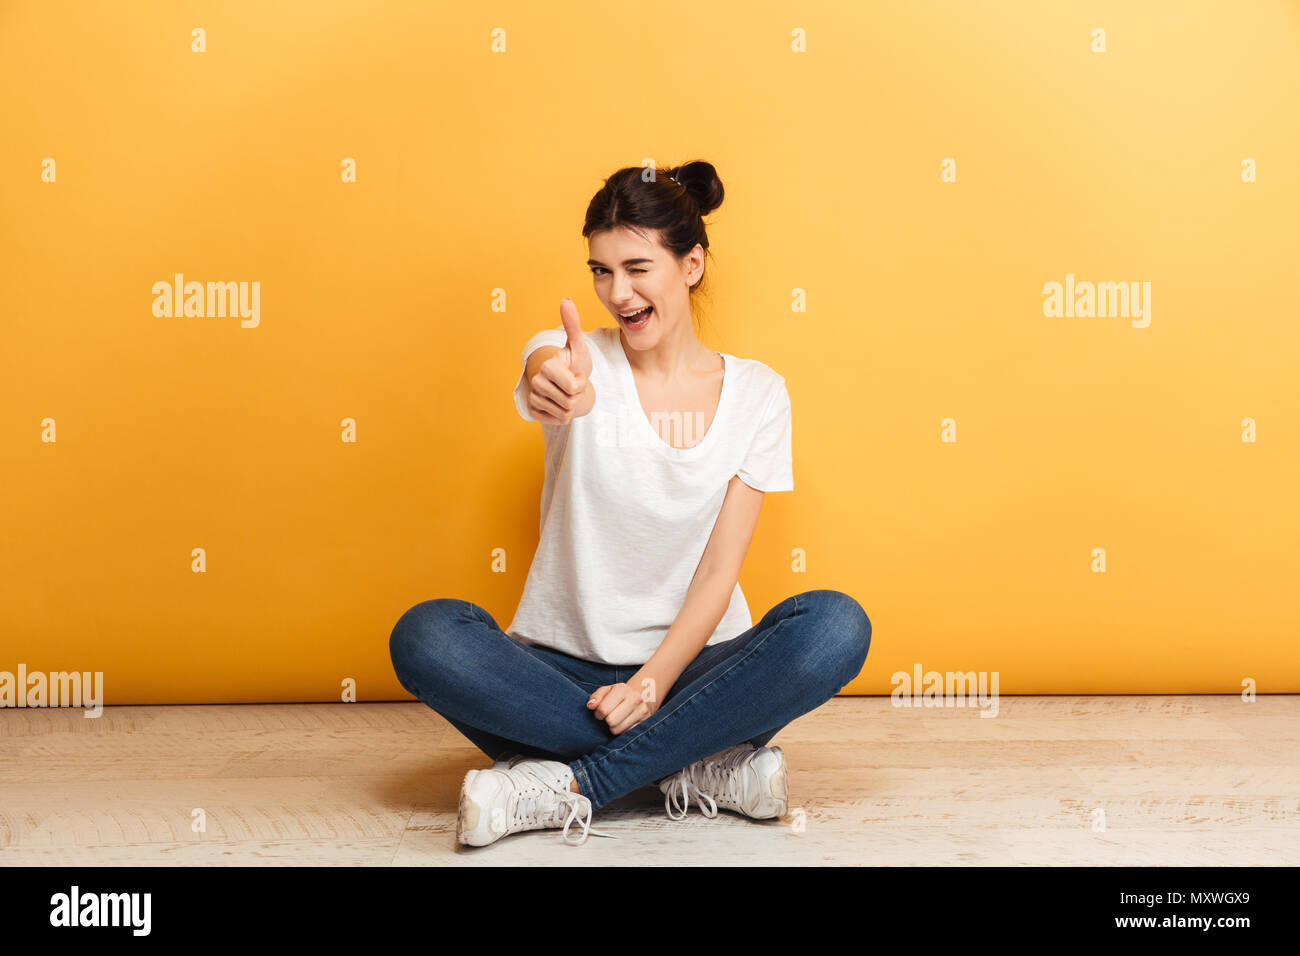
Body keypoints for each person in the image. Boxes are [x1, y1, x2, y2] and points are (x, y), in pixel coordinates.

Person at [389, 159, 871, 848]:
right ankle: (695, 768)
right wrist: (555, 385)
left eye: (637, 267)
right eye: (600, 271)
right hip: (561, 674)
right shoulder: (572, 358)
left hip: (699, 671)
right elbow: (545, 375)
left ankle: (574, 787)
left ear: (692, 264)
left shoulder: (760, 394)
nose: (617, 292)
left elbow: (717, 574)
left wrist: (651, 686)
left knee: (834, 625)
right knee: (426, 636)